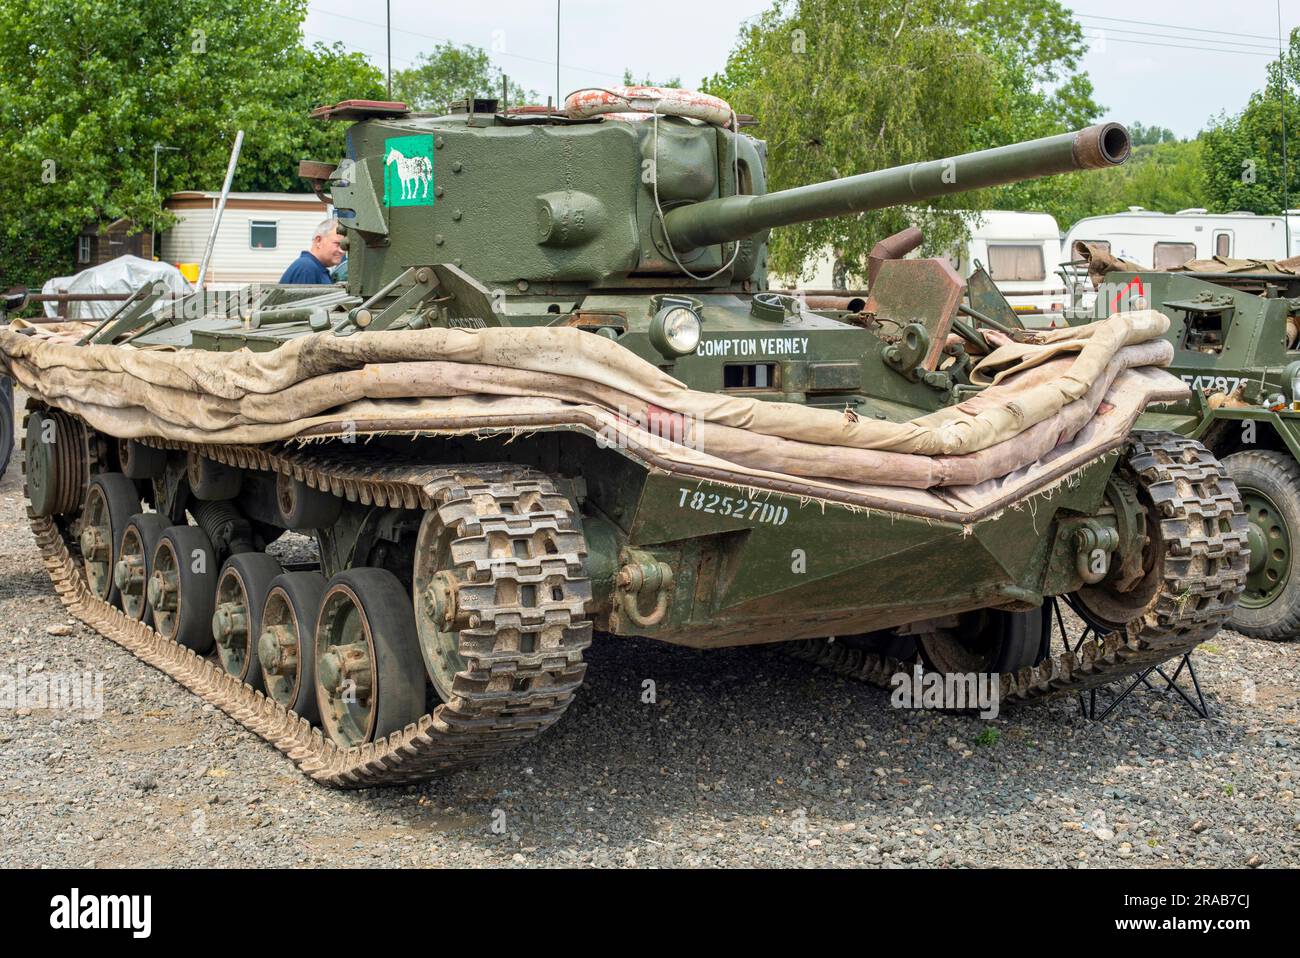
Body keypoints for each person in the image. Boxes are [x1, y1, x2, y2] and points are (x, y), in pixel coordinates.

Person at [280, 218, 344, 284]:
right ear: (318, 241)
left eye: (343, 246)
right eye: (337, 244)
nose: (342, 251)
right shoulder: (306, 269)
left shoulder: (315, 268)